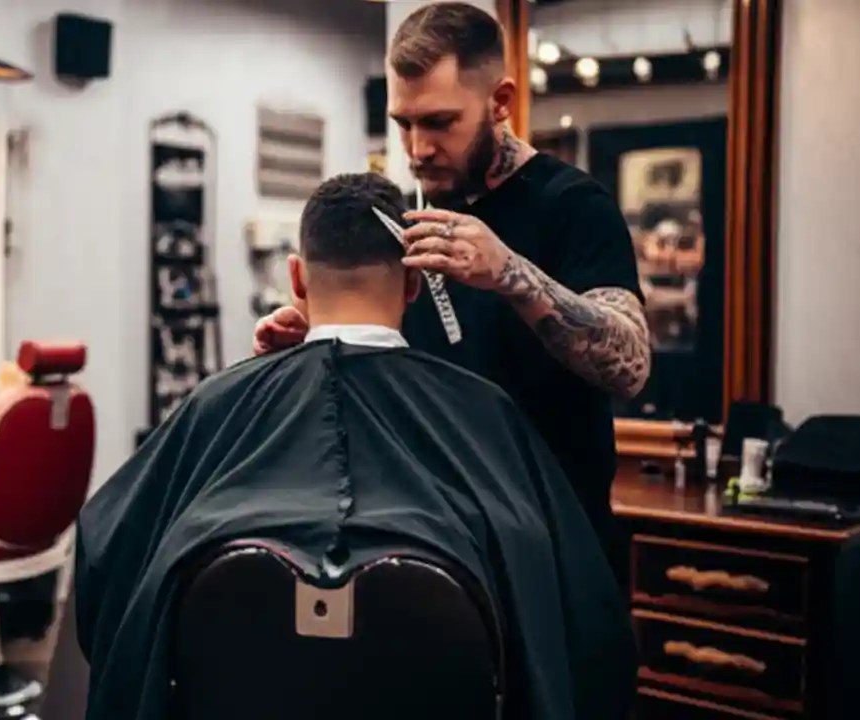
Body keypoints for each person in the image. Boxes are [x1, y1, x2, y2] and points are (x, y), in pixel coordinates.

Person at [76, 173, 636, 720]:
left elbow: (108, 552)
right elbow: (587, 622)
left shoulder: (215, 403)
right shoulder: (486, 412)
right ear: (414, 284)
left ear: (295, 279)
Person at [254, 3, 651, 563]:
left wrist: (512, 274)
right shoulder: (404, 211)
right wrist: (323, 336)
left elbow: (631, 364)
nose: (417, 149)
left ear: (501, 103)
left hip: (555, 550)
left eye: (440, 123)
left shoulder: (572, 207)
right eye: (404, 124)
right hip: (441, 547)